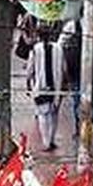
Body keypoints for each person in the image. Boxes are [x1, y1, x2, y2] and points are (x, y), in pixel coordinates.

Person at [27, 24, 64, 152]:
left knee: (43, 115)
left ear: (39, 36)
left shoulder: (35, 49)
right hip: (56, 86)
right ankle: (51, 140)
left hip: (41, 86)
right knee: (54, 114)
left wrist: (28, 84)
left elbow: (30, 68)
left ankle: (47, 142)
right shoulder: (58, 48)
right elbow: (63, 67)